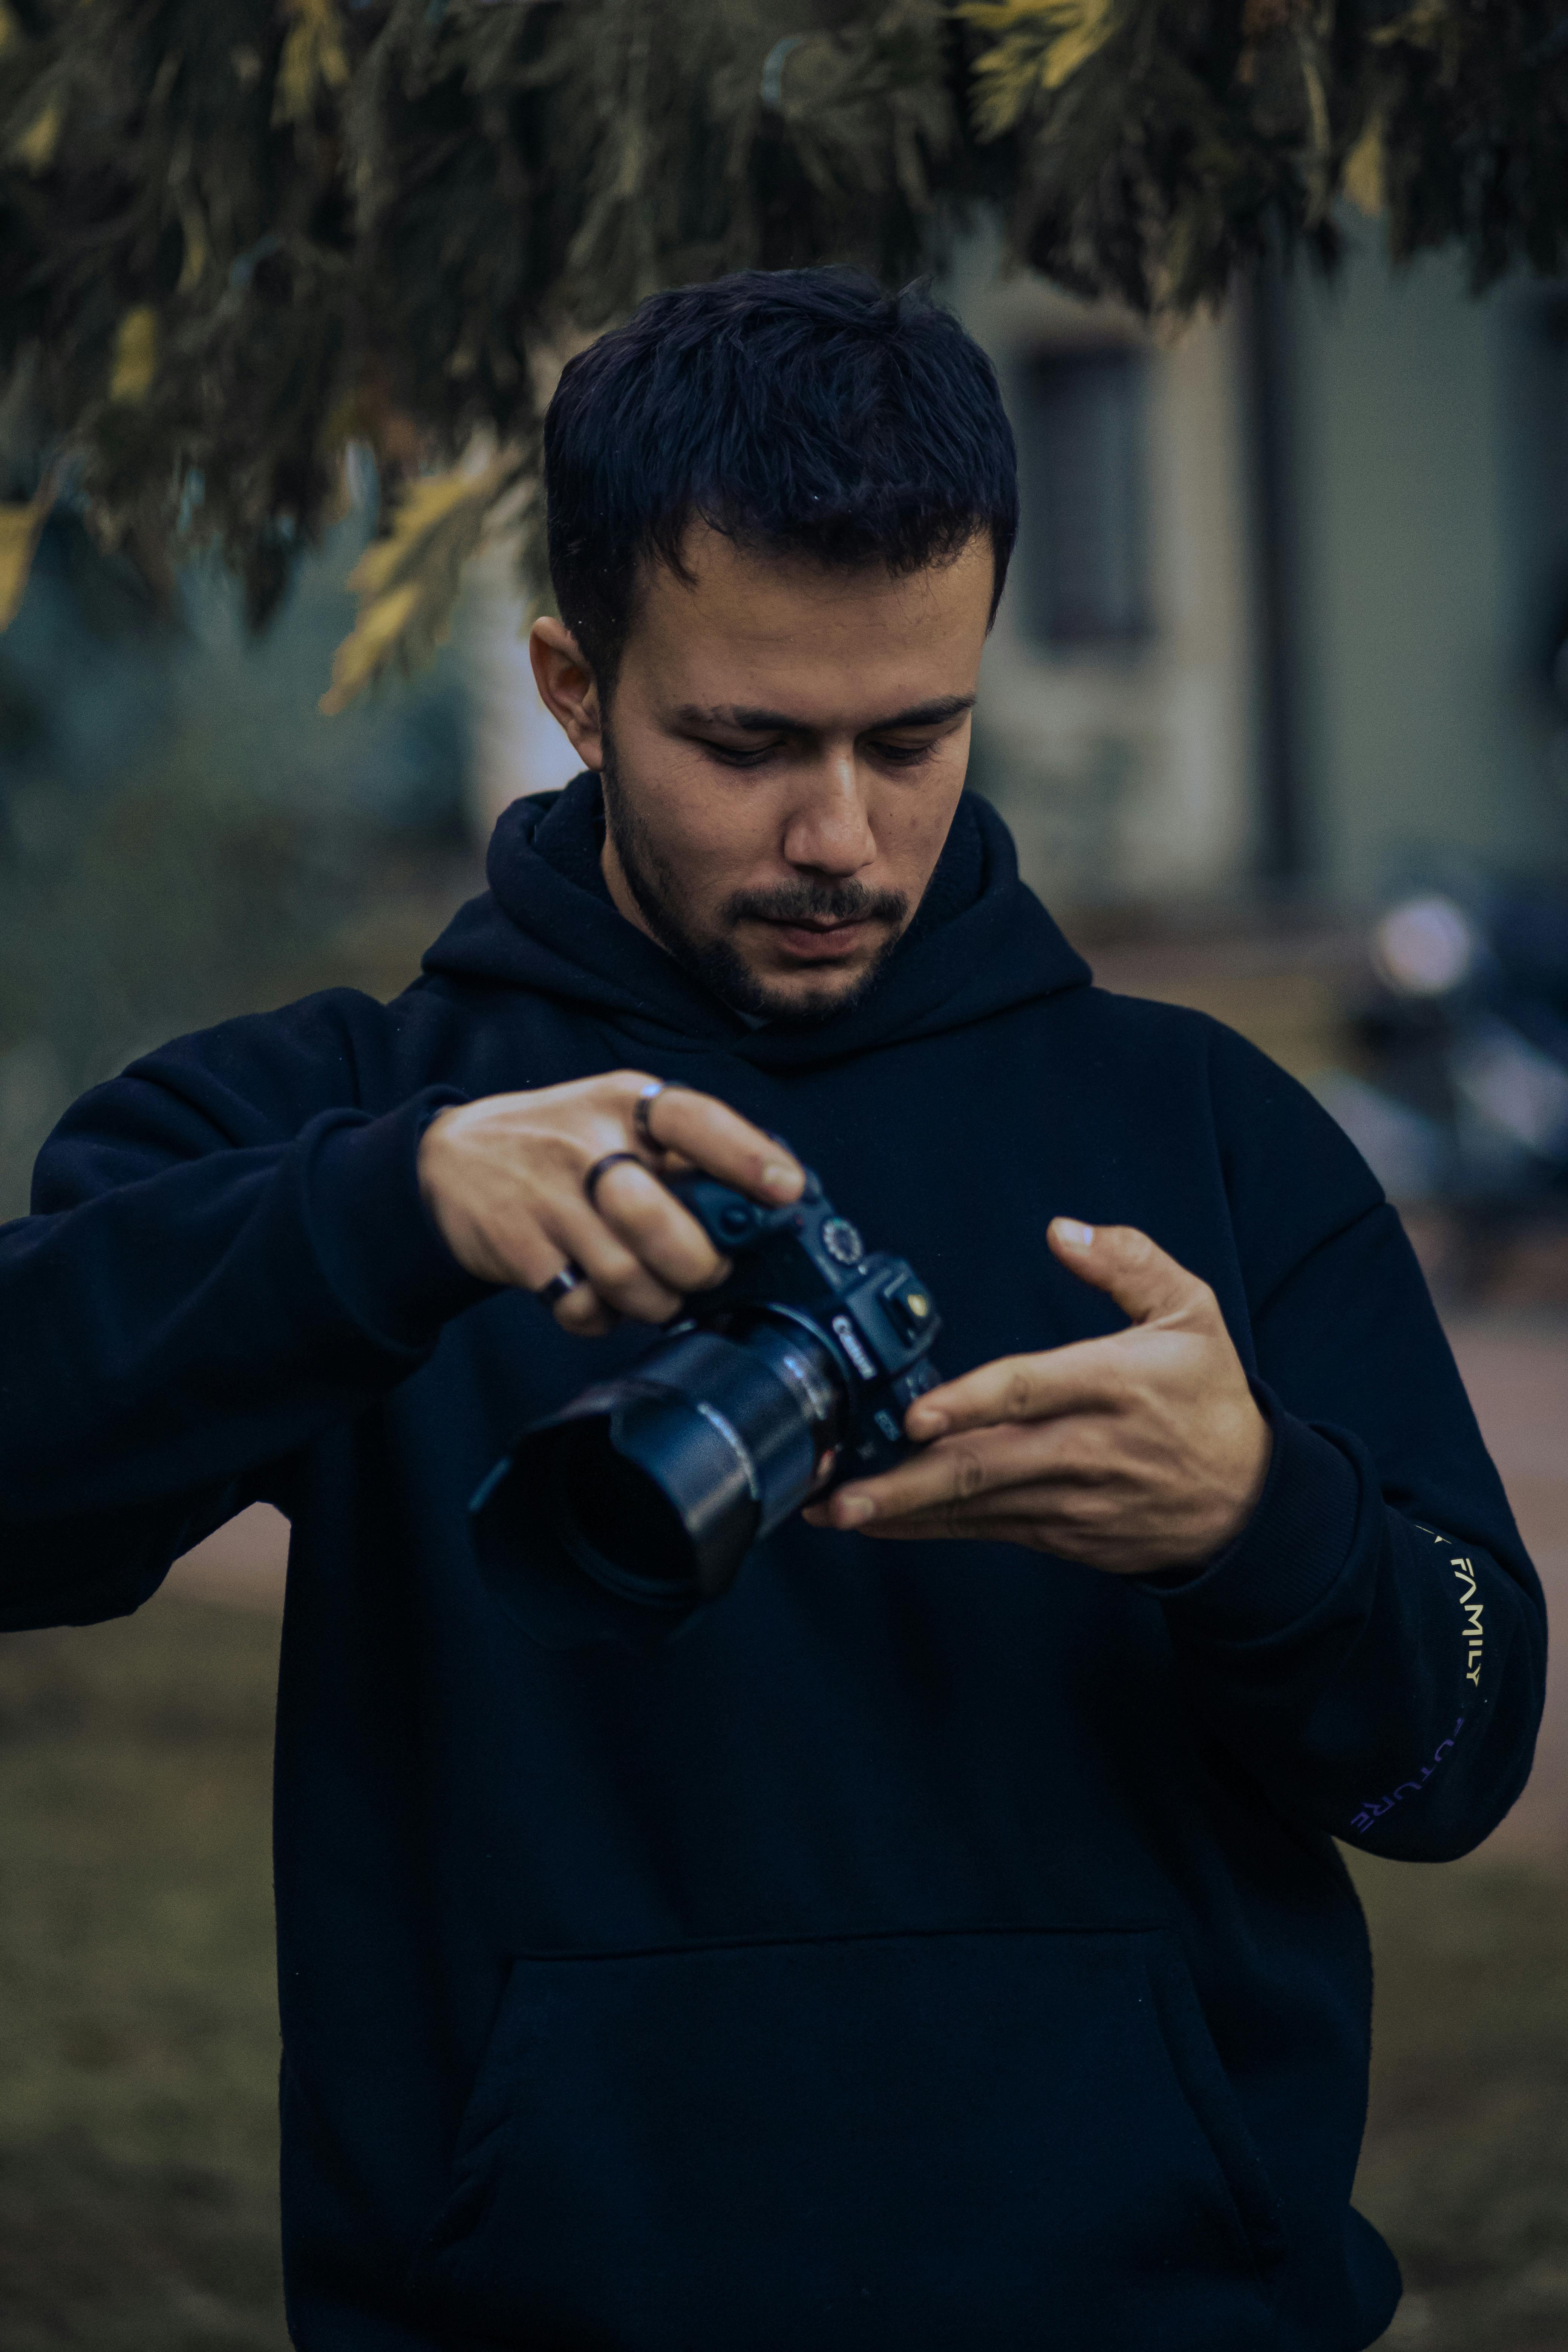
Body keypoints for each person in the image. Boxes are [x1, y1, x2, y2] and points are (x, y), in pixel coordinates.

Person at [0, 268, 1544, 2352]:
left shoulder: (1208, 1132)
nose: (842, 836)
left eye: (916, 736)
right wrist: (386, 1220)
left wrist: (1265, 1526)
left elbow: (1454, 1756)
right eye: (746, 744)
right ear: (574, 686)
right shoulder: (343, 1128)